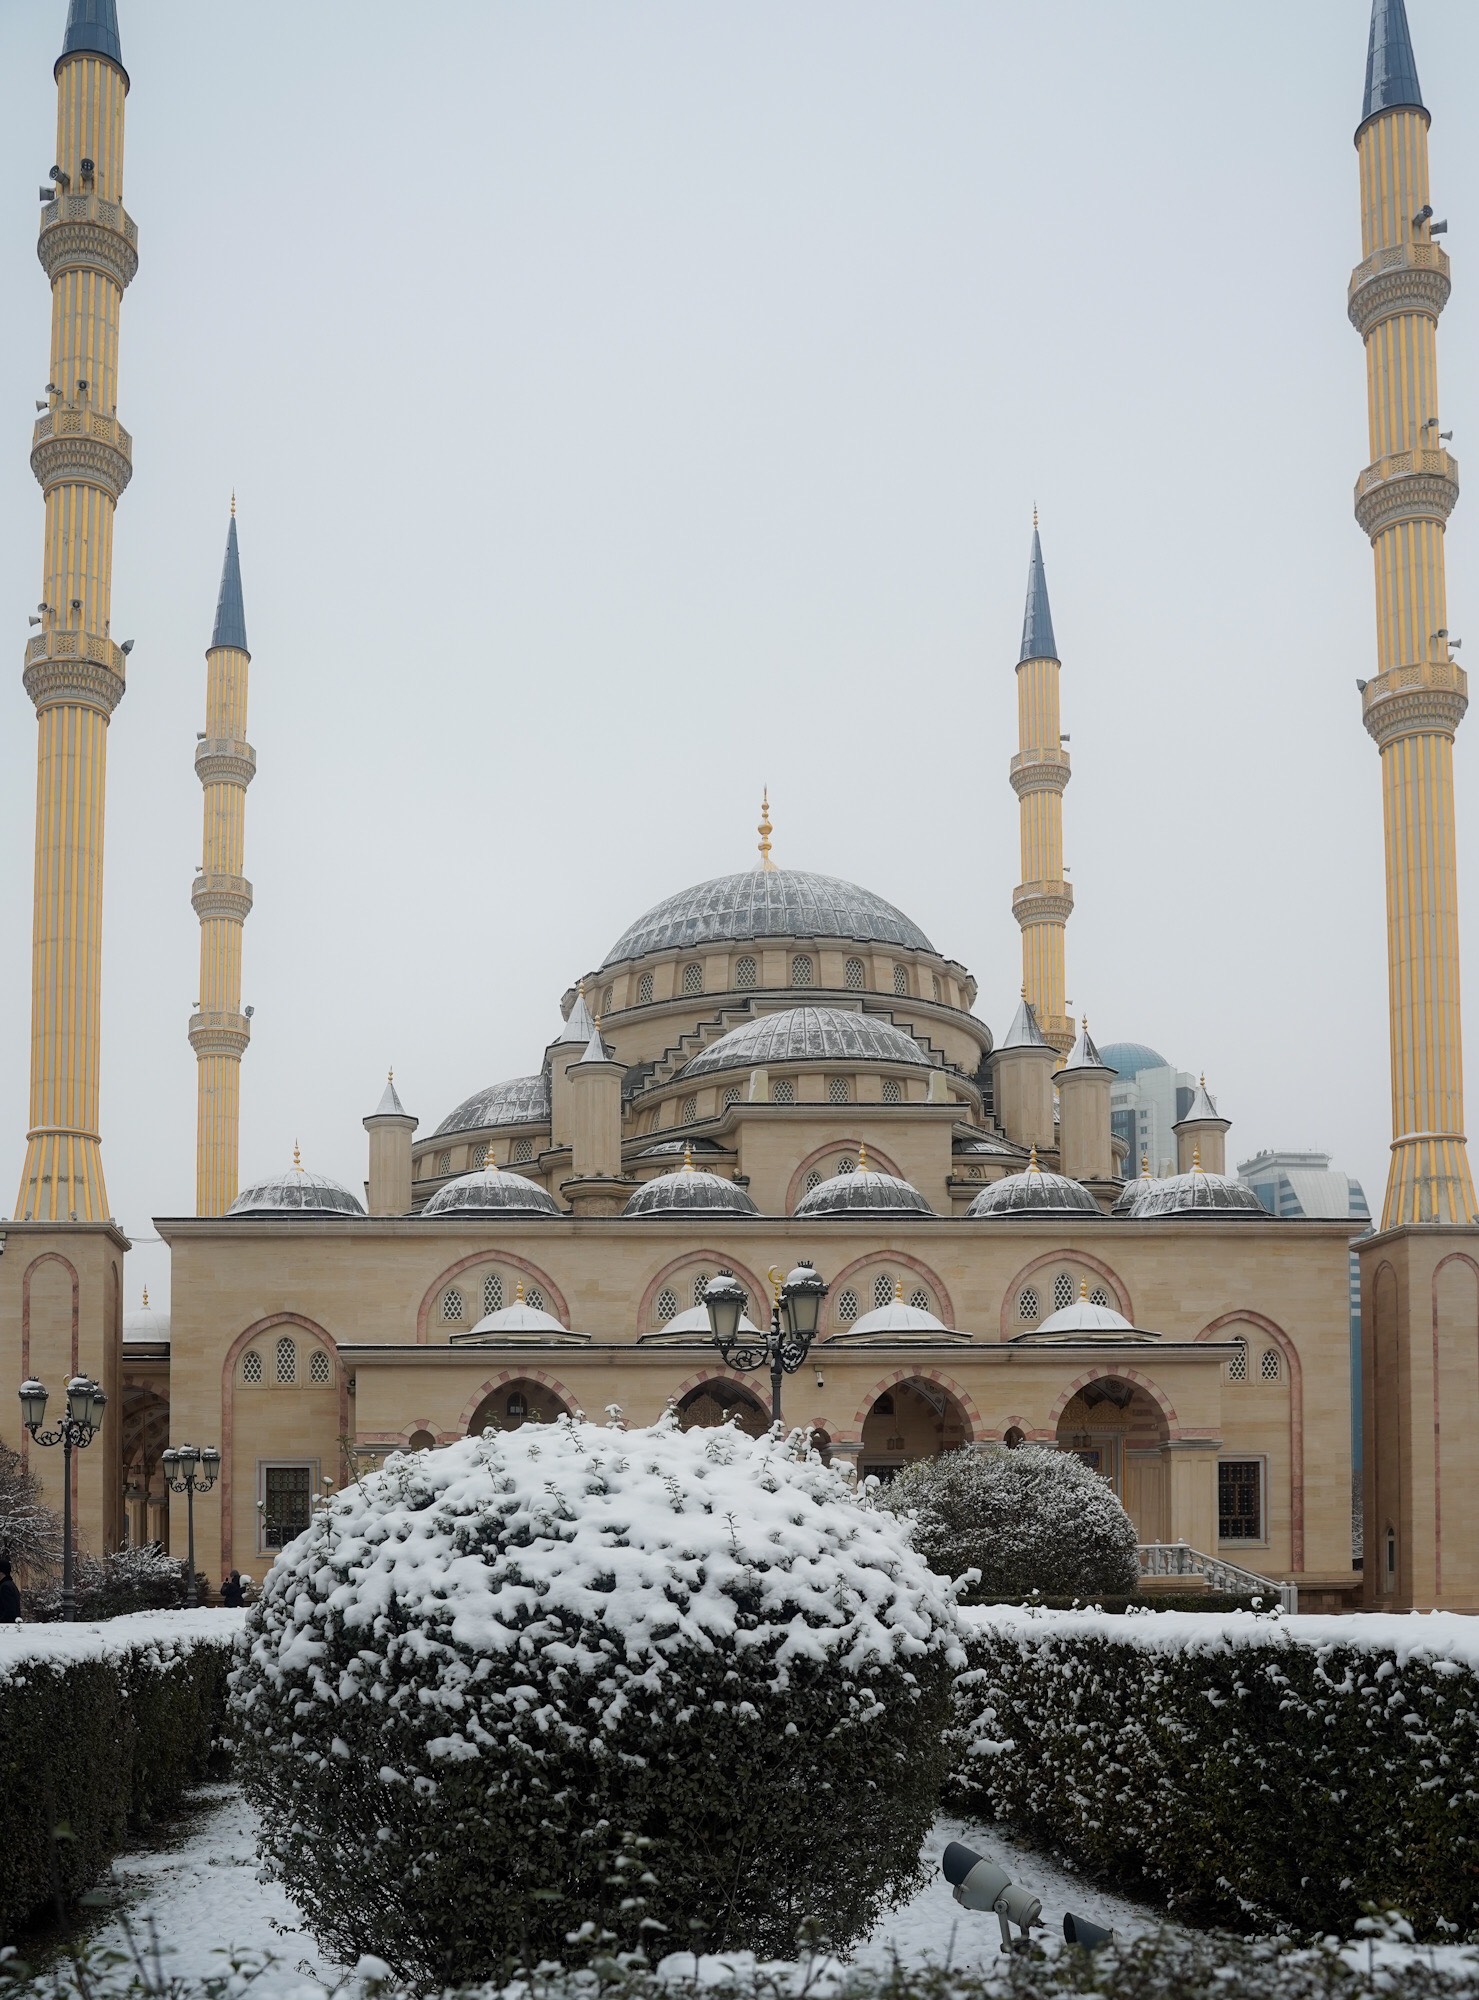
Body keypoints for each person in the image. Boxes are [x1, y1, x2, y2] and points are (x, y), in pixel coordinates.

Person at [0, 1558, 21, 1623]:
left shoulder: (5, 1587)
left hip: (6, 1628)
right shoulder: (10, 1584)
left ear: (1, 1573)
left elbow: (9, 1611)